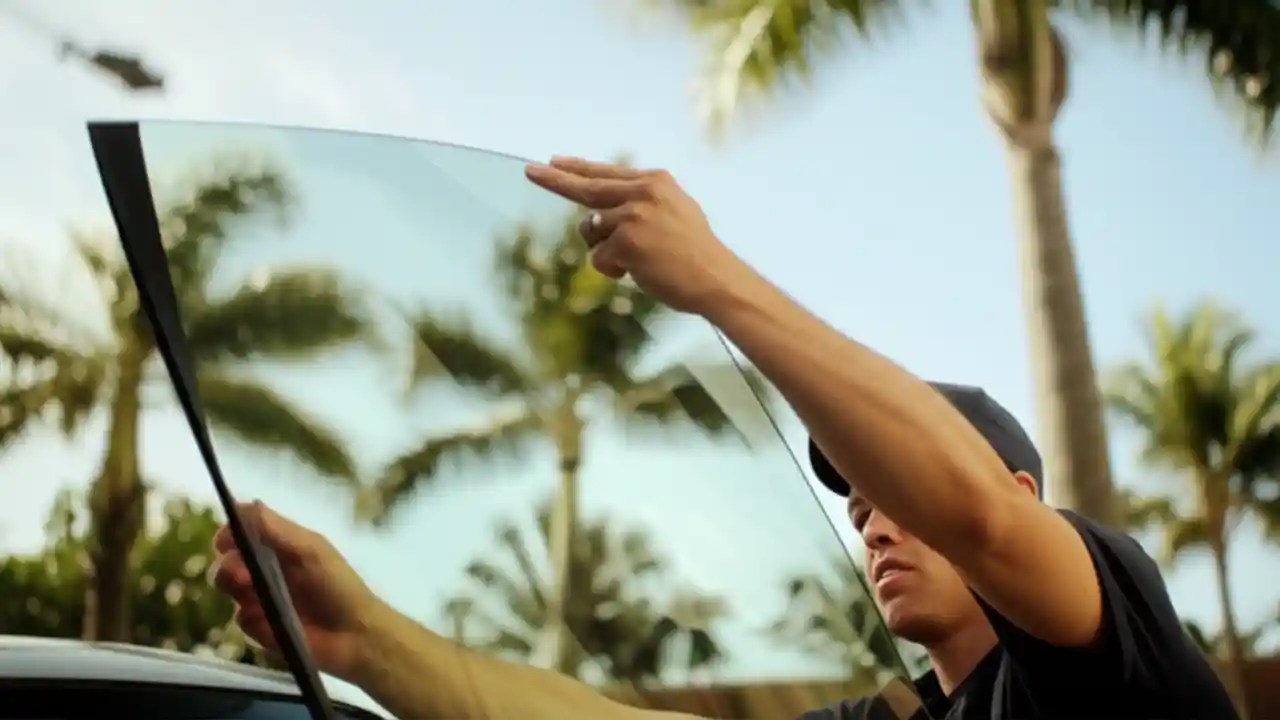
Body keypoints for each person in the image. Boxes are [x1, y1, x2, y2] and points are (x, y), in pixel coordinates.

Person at [212, 157, 1239, 720]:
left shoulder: (1110, 639)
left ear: (1025, 491)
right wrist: (368, 643)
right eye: (858, 509)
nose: (873, 526)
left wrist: (715, 283)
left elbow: (975, 519)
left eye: (895, 500)